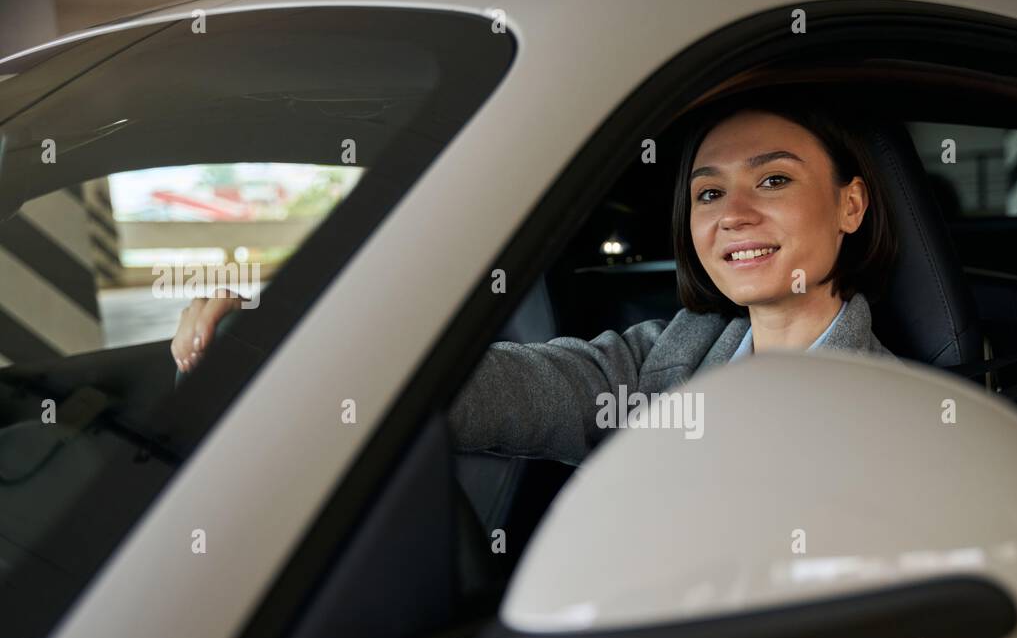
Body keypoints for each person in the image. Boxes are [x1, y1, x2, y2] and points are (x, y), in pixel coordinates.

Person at [171, 90, 898, 466]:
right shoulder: (668, 353)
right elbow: (482, 389)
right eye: (708, 193)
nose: (732, 214)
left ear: (850, 204)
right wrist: (294, 335)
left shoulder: (891, 416)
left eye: (771, 179)